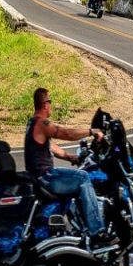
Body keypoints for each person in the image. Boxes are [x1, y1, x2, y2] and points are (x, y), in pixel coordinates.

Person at [25, 87, 109, 247]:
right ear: (45, 104)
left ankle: (78, 227)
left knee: (76, 178)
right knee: (83, 178)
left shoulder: (32, 123)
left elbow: (50, 145)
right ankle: (96, 230)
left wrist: (71, 157)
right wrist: (92, 131)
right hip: (46, 176)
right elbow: (66, 134)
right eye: (50, 101)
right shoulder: (42, 123)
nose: (51, 105)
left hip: (40, 175)